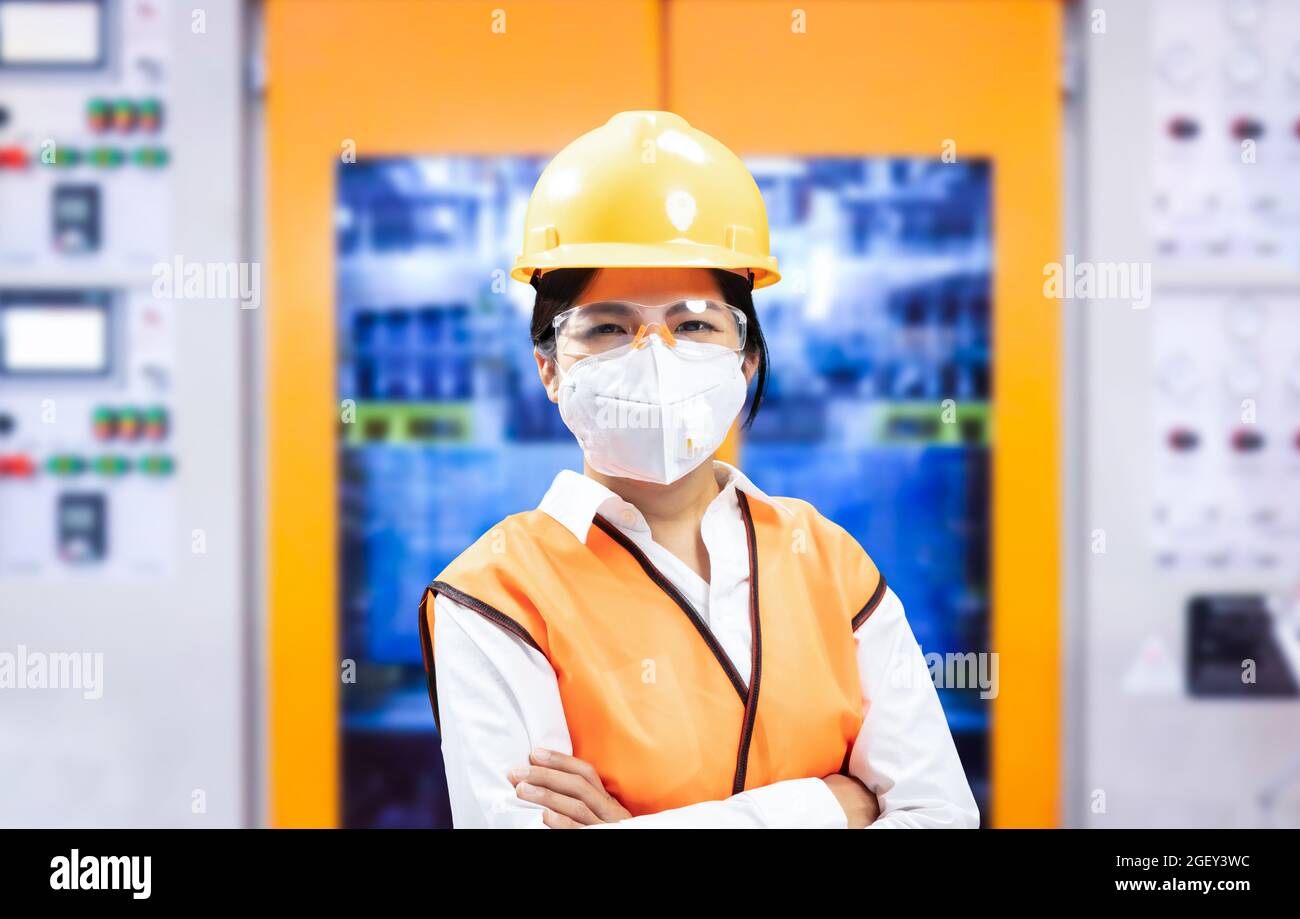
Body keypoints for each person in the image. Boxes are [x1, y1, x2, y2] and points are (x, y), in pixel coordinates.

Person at [418, 111, 979, 828]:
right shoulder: (492, 595)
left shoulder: (830, 565)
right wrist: (827, 804)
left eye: (694, 324)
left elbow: (940, 817)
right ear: (549, 369)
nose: (654, 353)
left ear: (745, 361)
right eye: (608, 327)